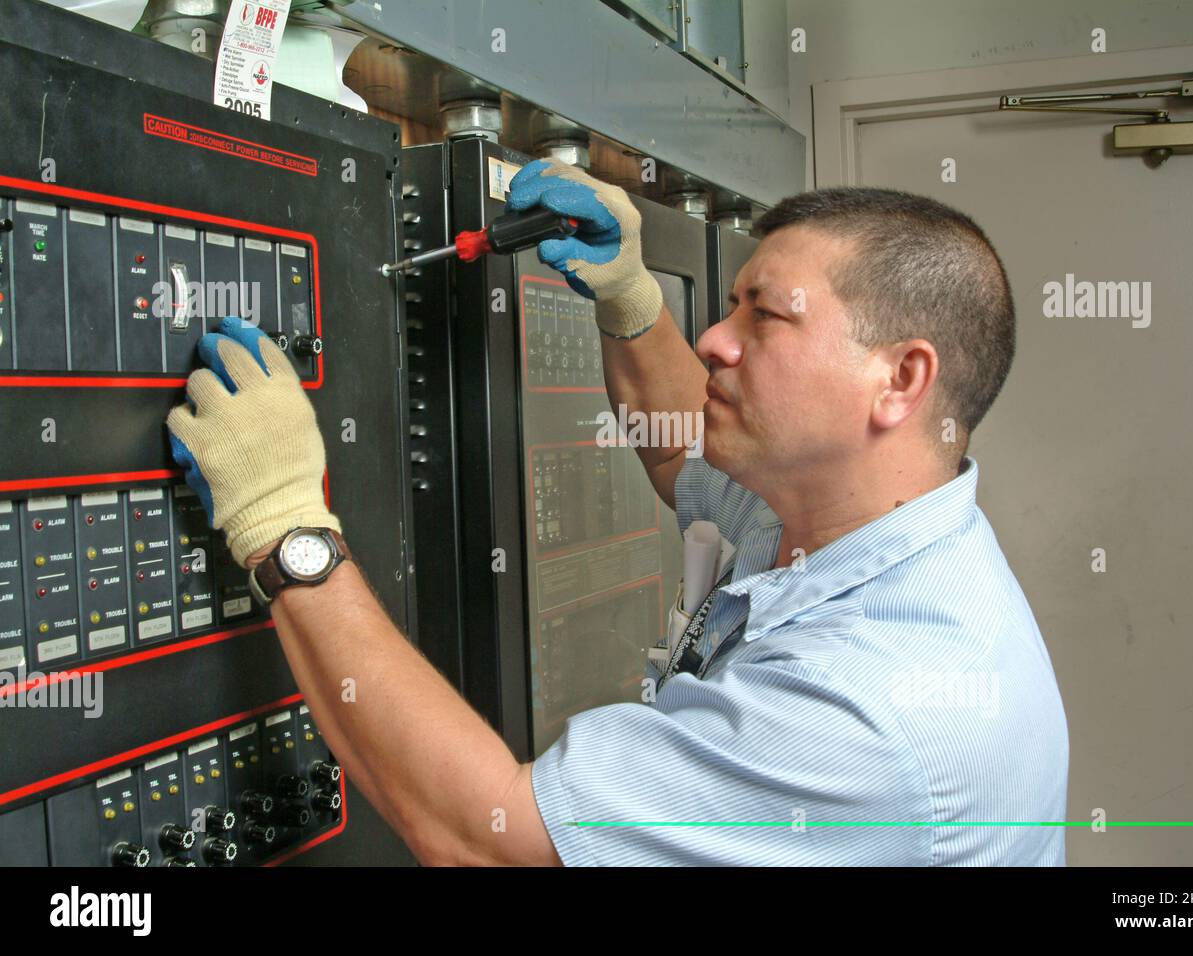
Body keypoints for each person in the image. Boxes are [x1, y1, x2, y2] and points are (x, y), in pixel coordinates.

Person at [166, 159, 1068, 866]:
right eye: (728, 306)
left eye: (766, 318)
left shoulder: (875, 713)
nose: (715, 338)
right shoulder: (843, 524)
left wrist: (283, 521)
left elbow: (490, 839)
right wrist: (632, 300)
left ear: (899, 380)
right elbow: (685, 452)